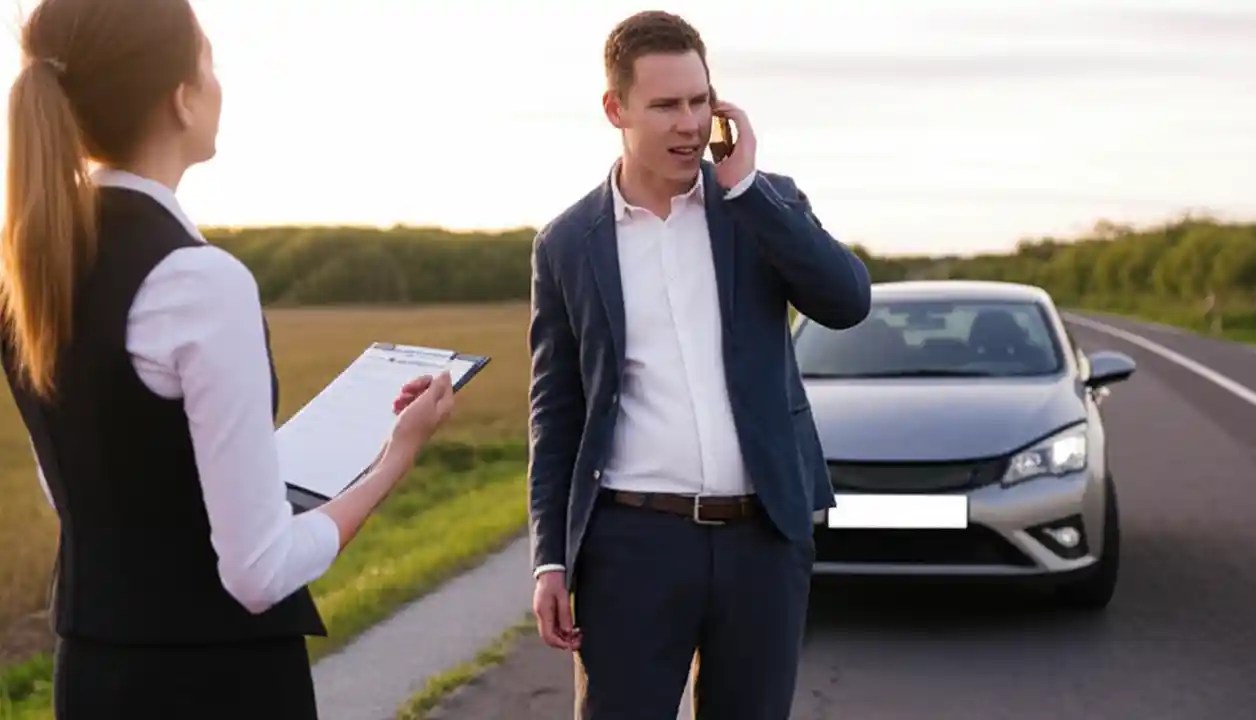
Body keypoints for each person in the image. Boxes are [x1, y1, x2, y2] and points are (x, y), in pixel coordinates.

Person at [0, 0, 455, 717]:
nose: (218, 85)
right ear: (182, 99)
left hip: (88, 676)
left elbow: (80, 492)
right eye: (209, 66)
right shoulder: (200, 281)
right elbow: (258, 571)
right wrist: (395, 457)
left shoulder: (30, 274)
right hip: (215, 685)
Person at [526, 10, 872, 719]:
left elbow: (847, 301)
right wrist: (550, 558)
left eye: (699, 100)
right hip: (631, 544)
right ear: (615, 109)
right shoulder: (566, 244)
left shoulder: (761, 203)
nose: (689, 123)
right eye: (665, 105)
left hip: (763, 540)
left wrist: (749, 193)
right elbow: (555, 411)